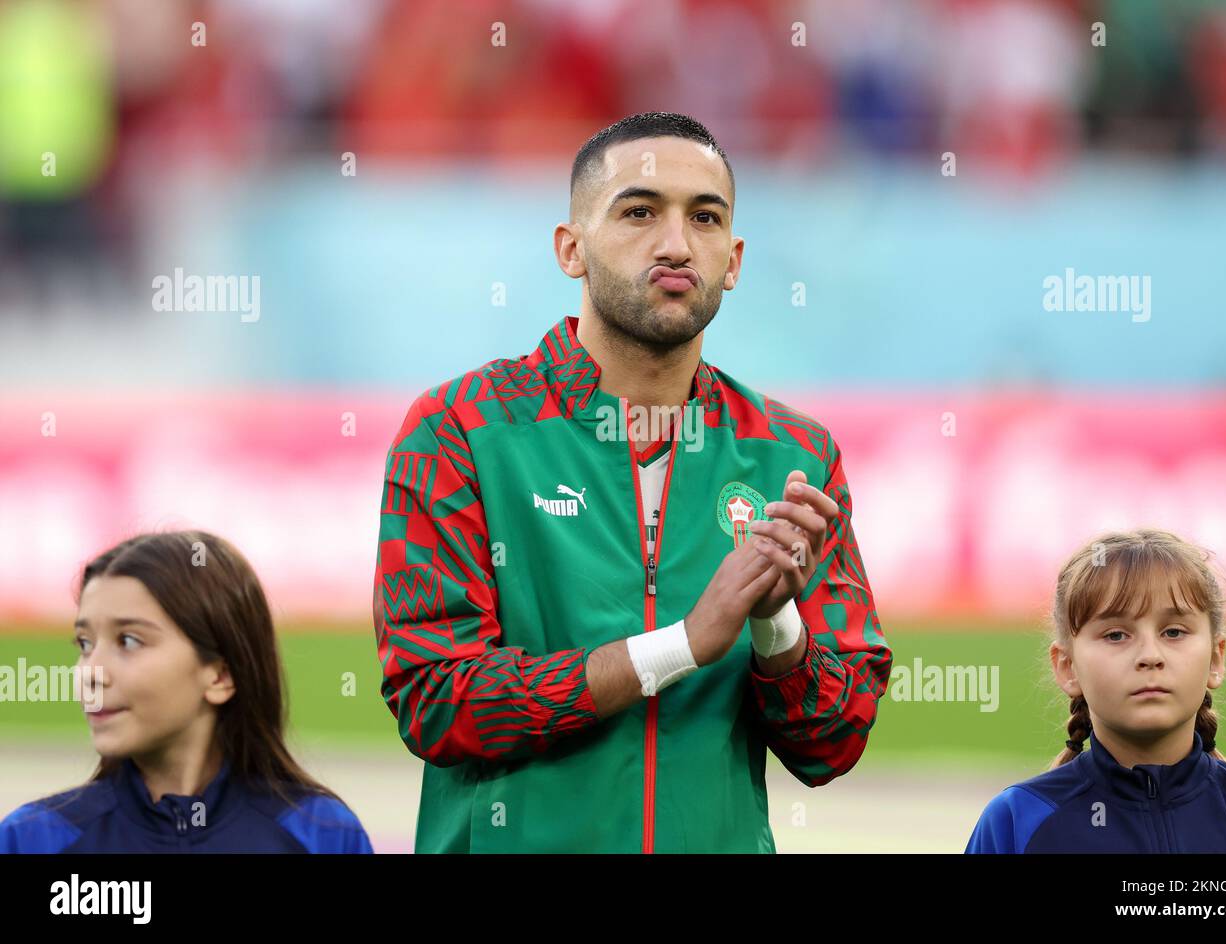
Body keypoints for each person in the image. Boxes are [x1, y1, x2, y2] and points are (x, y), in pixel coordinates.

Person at [373, 111, 892, 853]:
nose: (677, 244)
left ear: (735, 259)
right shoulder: (462, 430)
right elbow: (437, 700)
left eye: (705, 218)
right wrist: (681, 644)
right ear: (571, 249)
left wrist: (778, 627)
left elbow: (832, 746)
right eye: (640, 212)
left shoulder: (793, 456)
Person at [0, 531, 373, 853]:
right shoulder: (32, 840)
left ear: (221, 675)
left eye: (128, 641)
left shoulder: (324, 837)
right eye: (84, 644)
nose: (91, 673)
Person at [965, 528, 1226, 853]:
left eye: (1173, 632)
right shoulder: (1015, 824)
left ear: (1215, 658)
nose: (1150, 656)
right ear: (1068, 667)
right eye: (1115, 635)